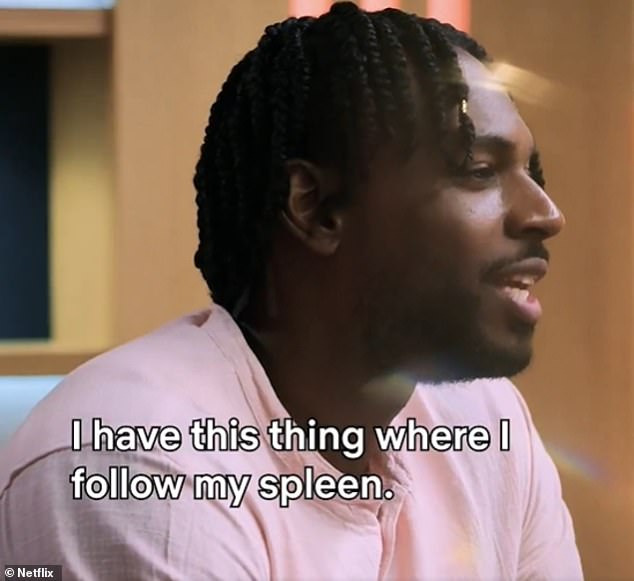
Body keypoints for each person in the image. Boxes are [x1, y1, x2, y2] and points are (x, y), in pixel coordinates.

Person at [0, 3, 583, 579]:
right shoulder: (135, 457)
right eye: (480, 170)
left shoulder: (485, 418)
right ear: (316, 206)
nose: (546, 213)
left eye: (532, 174)